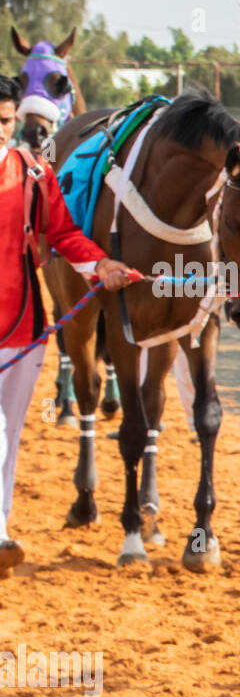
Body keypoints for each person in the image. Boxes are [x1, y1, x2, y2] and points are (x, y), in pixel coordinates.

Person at [0, 75, 131, 575]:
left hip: (23, 327)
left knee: (9, 434)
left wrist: (101, 265)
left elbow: (63, 233)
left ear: (15, 122)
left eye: (5, 121)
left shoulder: (34, 173)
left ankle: (2, 527)